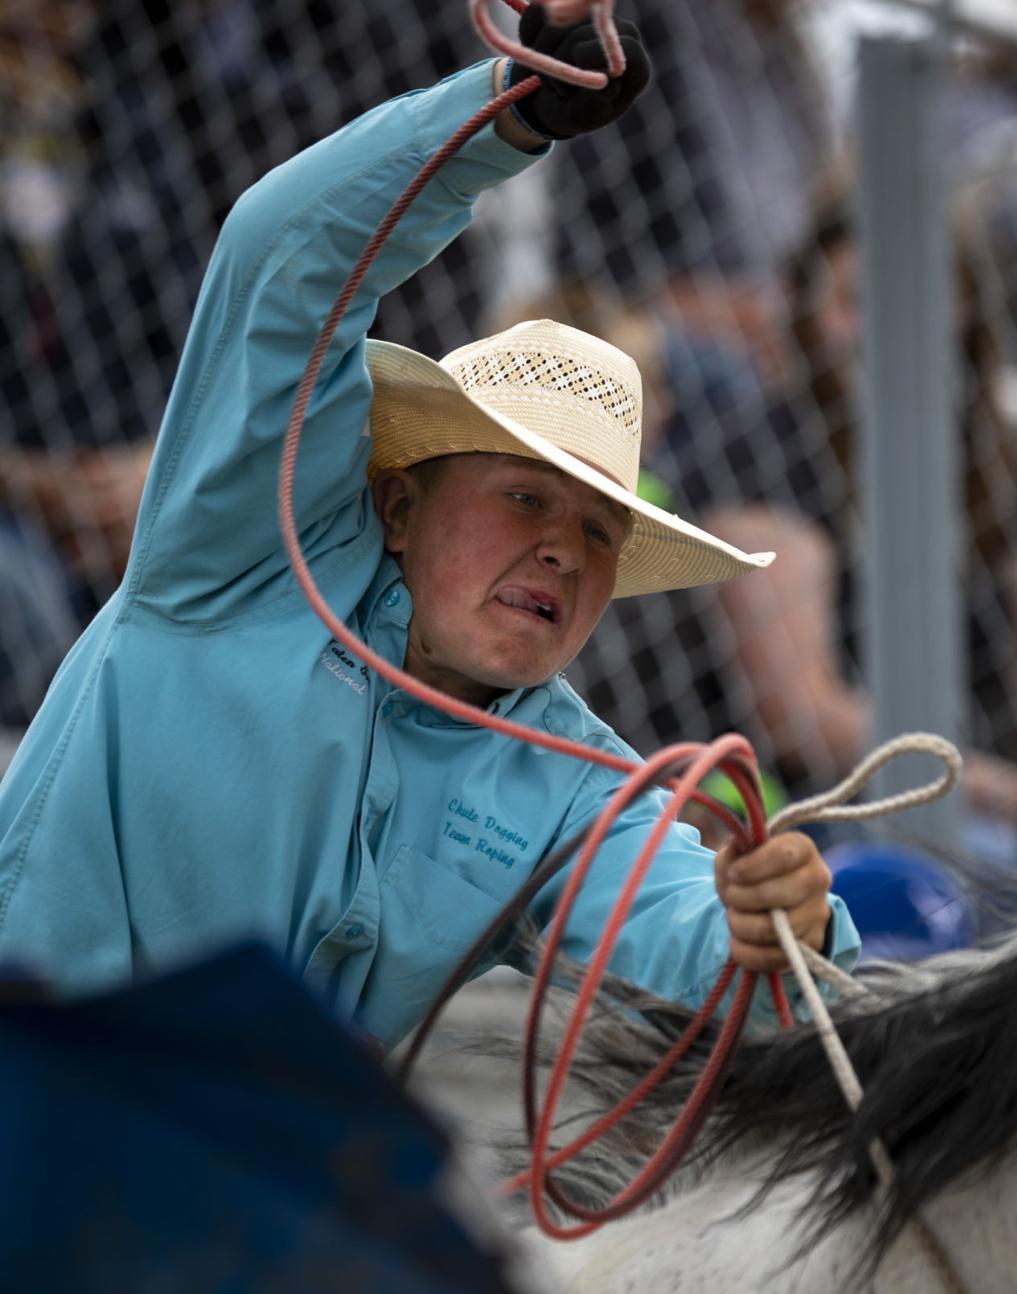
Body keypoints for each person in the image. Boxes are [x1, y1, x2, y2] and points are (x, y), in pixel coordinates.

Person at [0, 7, 858, 1052]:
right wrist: (508, 112)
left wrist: (789, 925)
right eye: (526, 496)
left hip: (234, 1182)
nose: (561, 548)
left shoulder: (573, 782)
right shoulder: (248, 548)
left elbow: (710, 947)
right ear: (399, 505)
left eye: (599, 532)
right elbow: (285, 255)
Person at [681, 174, 1017, 835]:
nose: (877, 331)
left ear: (963, 313)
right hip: (814, 807)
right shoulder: (762, 449)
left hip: (986, 792)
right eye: (851, 301)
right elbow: (799, 716)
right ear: (806, 311)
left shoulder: (1001, 457)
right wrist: (1010, 795)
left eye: (911, 301)